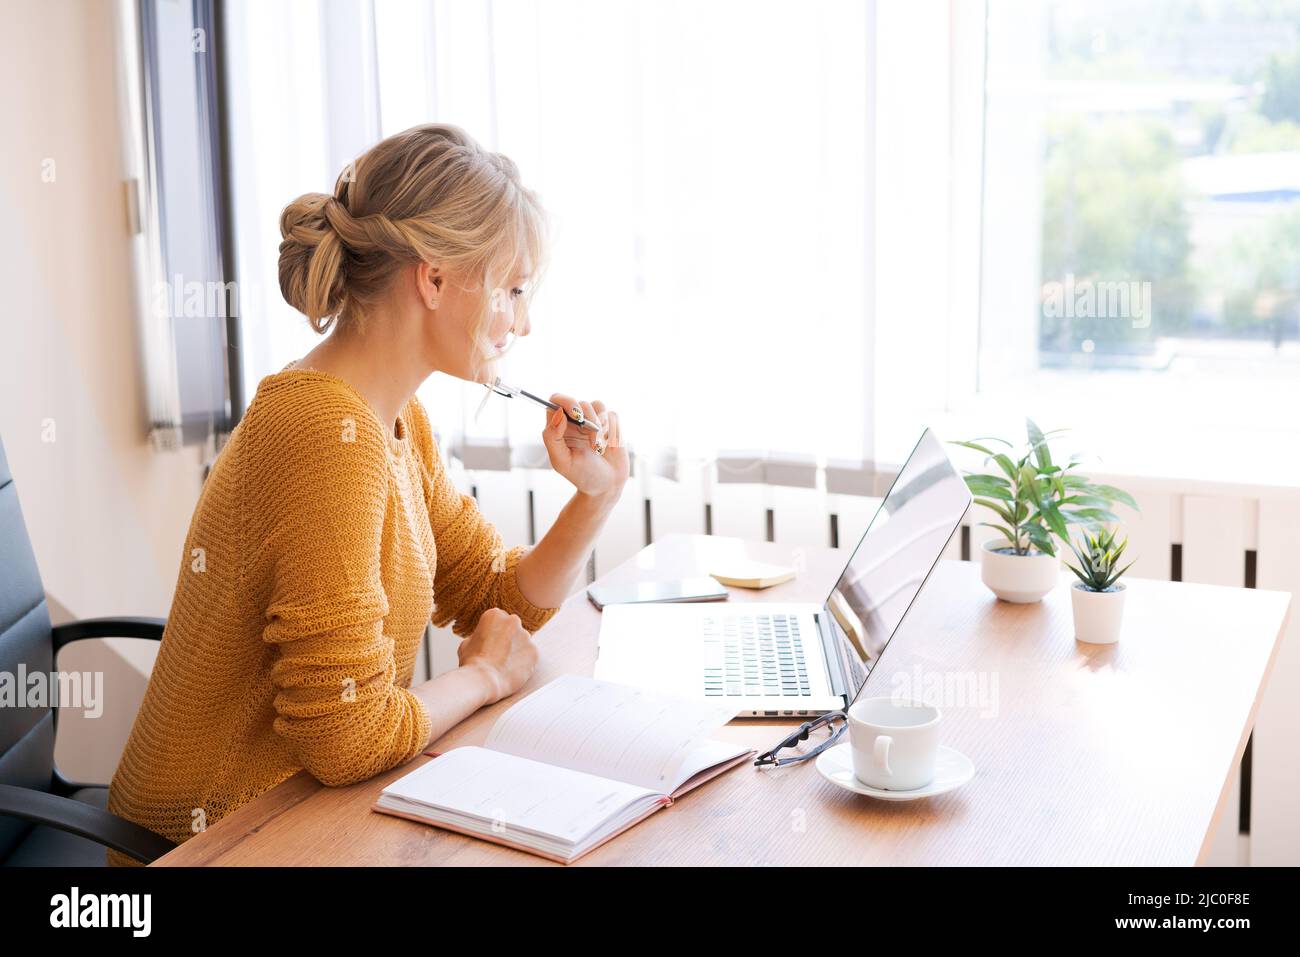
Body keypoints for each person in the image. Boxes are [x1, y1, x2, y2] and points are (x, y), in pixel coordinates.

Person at [105, 123, 629, 865]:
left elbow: (493, 592)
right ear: (434, 279)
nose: (522, 320)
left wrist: (597, 497)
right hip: (210, 842)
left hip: (307, 816)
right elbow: (348, 738)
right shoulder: (322, 433)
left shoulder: (395, 418)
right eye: (511, 290)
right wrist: (483, 676)